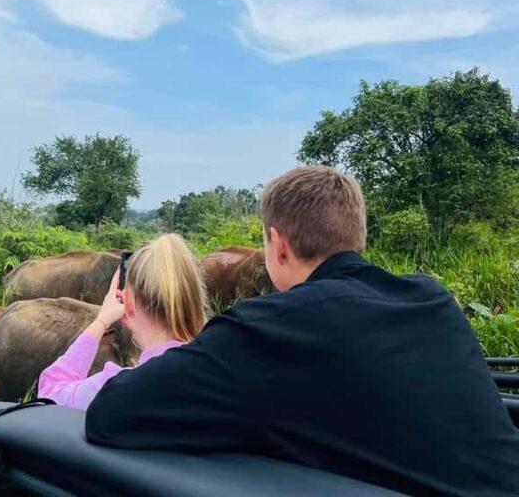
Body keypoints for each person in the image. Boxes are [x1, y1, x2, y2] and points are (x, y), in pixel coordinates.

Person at [86, 166, 519, 496]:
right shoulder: (433, 300)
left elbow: (113, 412)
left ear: (278, 245)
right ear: (358, 237)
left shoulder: (267, 330)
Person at [38, 233, 208, 410]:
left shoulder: (118, 388)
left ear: (129, 302)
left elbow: (49, 393)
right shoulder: (219, 373)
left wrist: (101, 321)